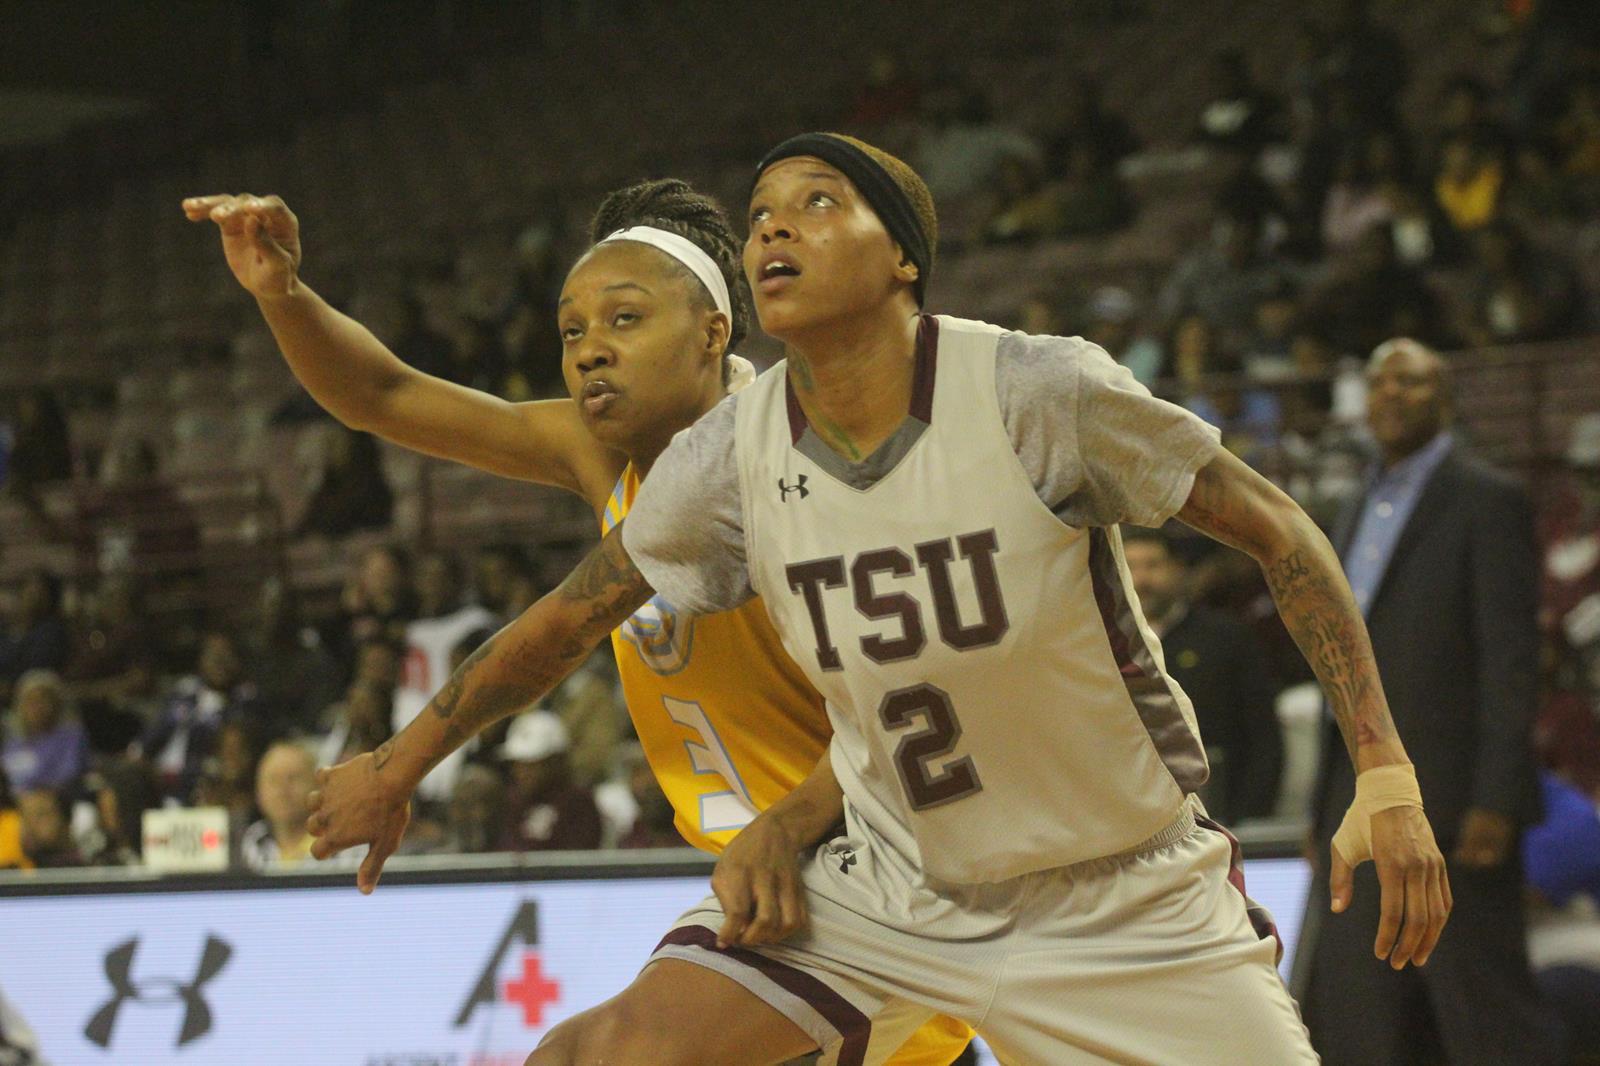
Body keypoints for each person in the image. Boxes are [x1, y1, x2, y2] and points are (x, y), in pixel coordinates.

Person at [298, 133, 1447, 1064]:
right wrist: (395, 768)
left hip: (1117, 893)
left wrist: (1382, 769)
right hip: (885, 882)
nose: (772, 227)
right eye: (758, 215)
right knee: (592, 1057)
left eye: (814, 202)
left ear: (901, 257)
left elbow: (1279, 531)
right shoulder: (731, 454)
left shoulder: (1036, 390)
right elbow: (564, 619)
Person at [186, 178, 973, 1064]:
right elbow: (385, 395)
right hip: (772, 870)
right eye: (573, 332)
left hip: (872, 848)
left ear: (714, 331)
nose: (592, 351)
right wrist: (281, 295)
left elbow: (921, 690)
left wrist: (395, 764)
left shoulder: (792, 459)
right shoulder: (603, 456)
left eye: (625, 321)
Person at [1305, 337, 1556, 1065]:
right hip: (1360, 804)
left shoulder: (1486, 498)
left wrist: (1499, 797)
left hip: (1453, 802)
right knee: (1364, 1014)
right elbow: (1341, 668)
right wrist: (1325, 801)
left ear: (1444, 396)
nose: (1392, 395)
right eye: (1381, 382)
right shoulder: (1350, 507)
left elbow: (1512, 659)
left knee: (1481, 1011)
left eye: (1411, 383)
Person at [1122, 529, 1284, 823]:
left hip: (1219, 813)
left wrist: (1252, 818)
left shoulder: (1226, 639)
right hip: (1131, 817)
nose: (1141, 580)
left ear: (1178, 569)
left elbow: (1263, 737)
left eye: (1153, 565)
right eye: (1130, 566)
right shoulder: (1102, 646)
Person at [497, 710, 601, 853]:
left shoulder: (577, 802)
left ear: (555, 762)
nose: (522, 773)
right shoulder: (512, 800)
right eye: (518, 764)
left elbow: (577, 861)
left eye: (531, 764)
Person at [0, 671, 87, 796]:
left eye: (43, 699)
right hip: (12, 808)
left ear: (56, 703)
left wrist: (27, 789)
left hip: (53, 804)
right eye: (30, 700)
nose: (36, 707)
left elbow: (68, 776)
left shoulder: (71, 737)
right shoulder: (14, 743)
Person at [239, 741, 319, 871]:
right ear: (258, 791)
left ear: (316, 785)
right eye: (273, 780)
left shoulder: (344, 844)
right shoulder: (249, 843)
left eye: (293, 778)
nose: (283, 791)